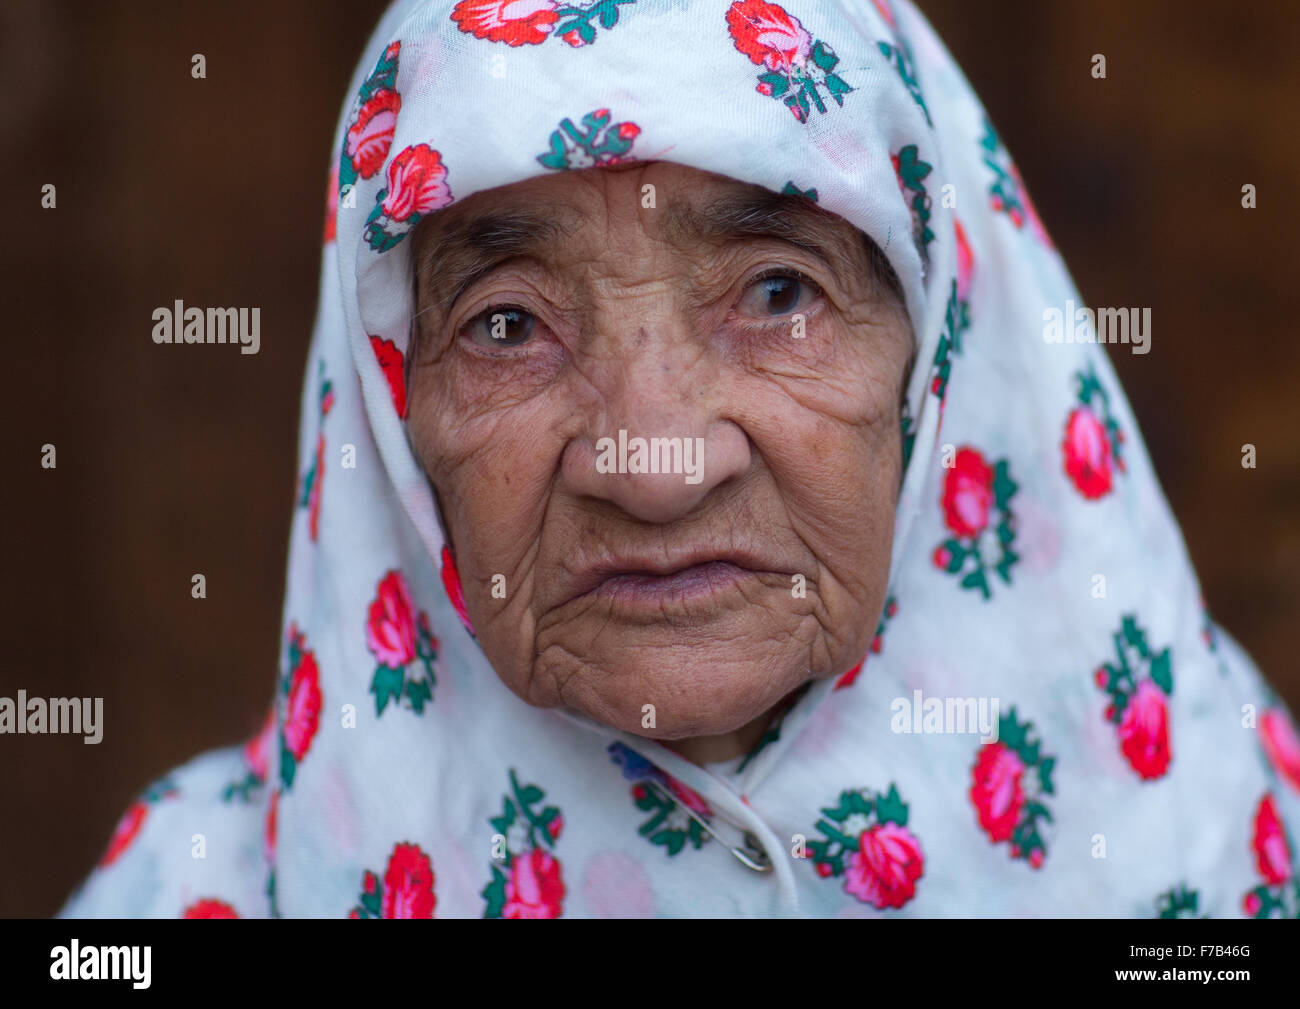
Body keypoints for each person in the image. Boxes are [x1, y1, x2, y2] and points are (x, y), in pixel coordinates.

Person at [61, 0, 1300, 918]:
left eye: (777, 292)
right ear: (390, 412)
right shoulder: (181, 905)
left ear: (940, 362)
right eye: (507, 324)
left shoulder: (1229, 843)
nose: (654, 465)